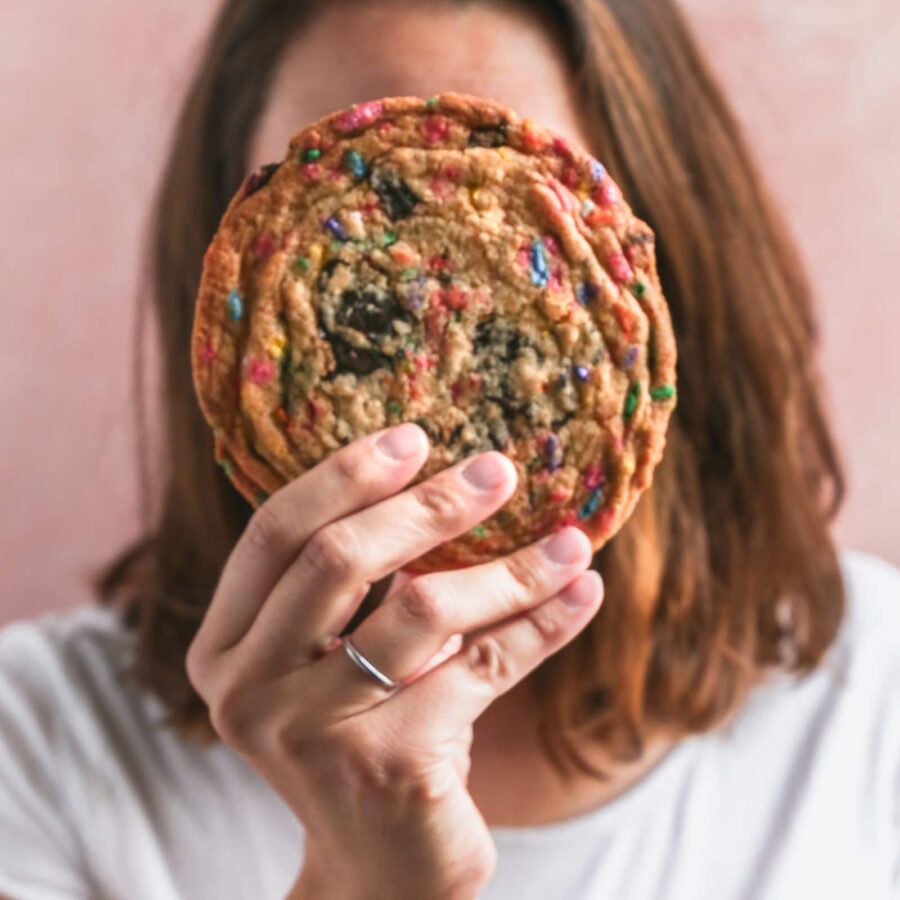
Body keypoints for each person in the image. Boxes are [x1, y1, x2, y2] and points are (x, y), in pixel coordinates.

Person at [1, 0, 898, 897]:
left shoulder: (874, 710)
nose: (452, 259)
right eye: (350, 188)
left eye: (508, 191)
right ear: (226, 281)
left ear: (652, 264)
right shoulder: (38, 742)